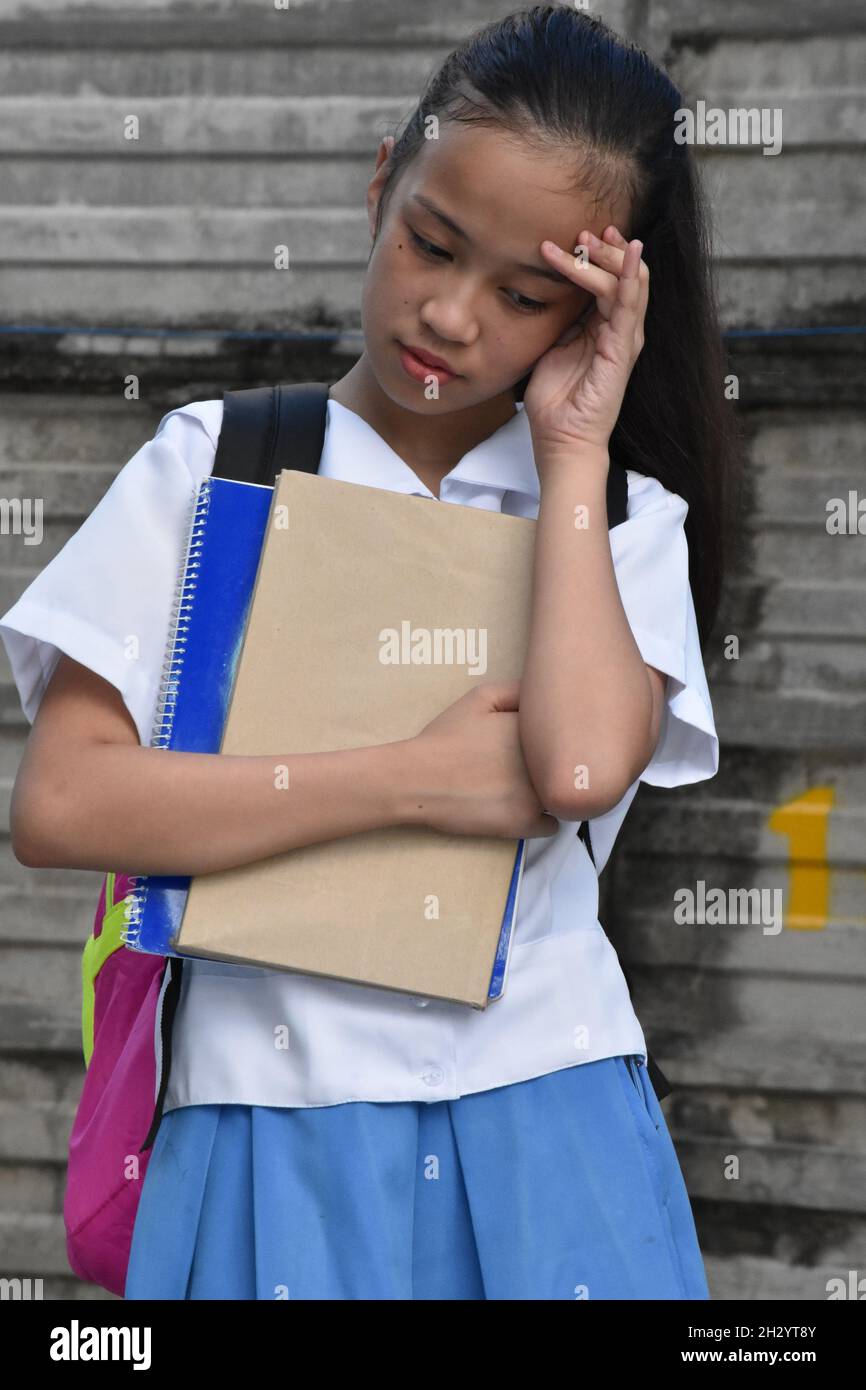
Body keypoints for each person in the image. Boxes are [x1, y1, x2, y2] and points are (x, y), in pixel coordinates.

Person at [0, 6, 742, 1299]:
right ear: (377, 188)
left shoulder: (619, 519)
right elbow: (64, 802)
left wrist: (572, 451)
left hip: (549, 1119)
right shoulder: (214, 464)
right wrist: (408, 775)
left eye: (523, 295)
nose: (450, 315)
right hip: (259, 1116)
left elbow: (571, 768)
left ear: (595, 313)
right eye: (430, 244)